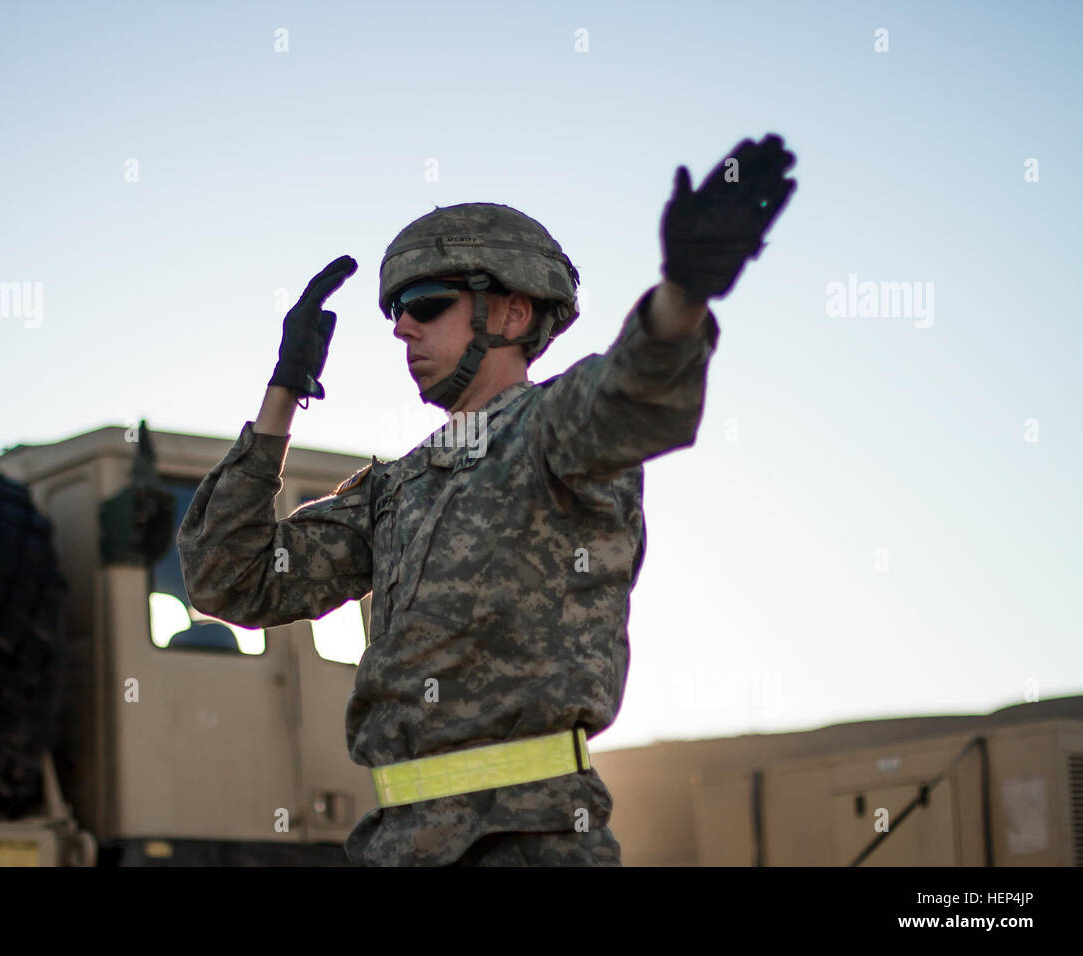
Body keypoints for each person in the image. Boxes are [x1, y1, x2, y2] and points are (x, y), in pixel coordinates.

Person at [177, 133, 797, 866]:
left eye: (425, 303)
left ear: (509, 314)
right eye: (395, 313)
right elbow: (231, 577)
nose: (402, 326)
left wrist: (682, 295)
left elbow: (637, 383)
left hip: (525, 841)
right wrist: (284, 389)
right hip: (399, 844)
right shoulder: (396, 489)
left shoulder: (556, 429)